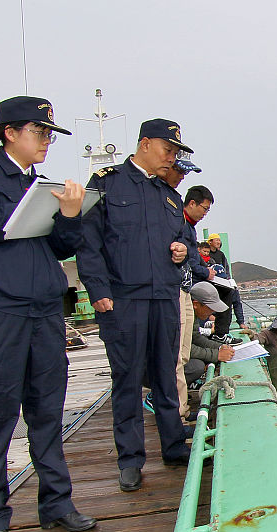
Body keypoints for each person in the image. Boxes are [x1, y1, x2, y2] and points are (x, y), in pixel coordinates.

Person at [0, 96, 97, 532]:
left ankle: (57, 502)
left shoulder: (41, 185)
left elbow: (59, 246)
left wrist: (69, 215)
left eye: (51, 134)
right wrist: (30, 207)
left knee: (47, 411)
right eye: (41, 132)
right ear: (10, 132)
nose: (47, 142)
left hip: (43, 312)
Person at [78, 118, 195, 493]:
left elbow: (187, 243)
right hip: (123, 299)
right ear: (145, 144)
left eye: (176, 152)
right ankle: (130, 460)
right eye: (168, 150)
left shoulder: (170, 196)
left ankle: (173, 446)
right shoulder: (107, 184)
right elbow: (89, 242)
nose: (172, 158)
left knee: (165, 373)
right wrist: (98, 289)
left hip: (163, 296)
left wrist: (183, 252)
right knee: (127, 380)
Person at [171, 182, 213, 420]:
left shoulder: (190, 227)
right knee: (179, 357)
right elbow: (189, 258)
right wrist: (205, 272)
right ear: (192, 203)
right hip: (178, 288)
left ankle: (183, 407)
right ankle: (179, 410)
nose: (205, 213)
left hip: (185, 288)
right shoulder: (179, 222)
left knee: (185, 355)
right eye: (204, 208)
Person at [185, 282, 235, 387]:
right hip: (153, 365)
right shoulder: (181, 317)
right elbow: (183, 349)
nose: (212, 312)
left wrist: (220, 346)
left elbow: (196, 338)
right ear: (196, 304)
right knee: (196, 367)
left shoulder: (192, 314)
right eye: (210, 308)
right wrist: (217, 355)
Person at [205, 233, 245, 339]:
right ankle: (216, 327)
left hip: (222, 280)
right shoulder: (206, 255)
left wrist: (227, 281)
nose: (218, 242)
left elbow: (226, 269)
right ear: (210, 242)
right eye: (216, 240)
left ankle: (239, 323)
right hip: (211, 280)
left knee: (233, 298)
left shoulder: (221, 254)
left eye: (219, 240)